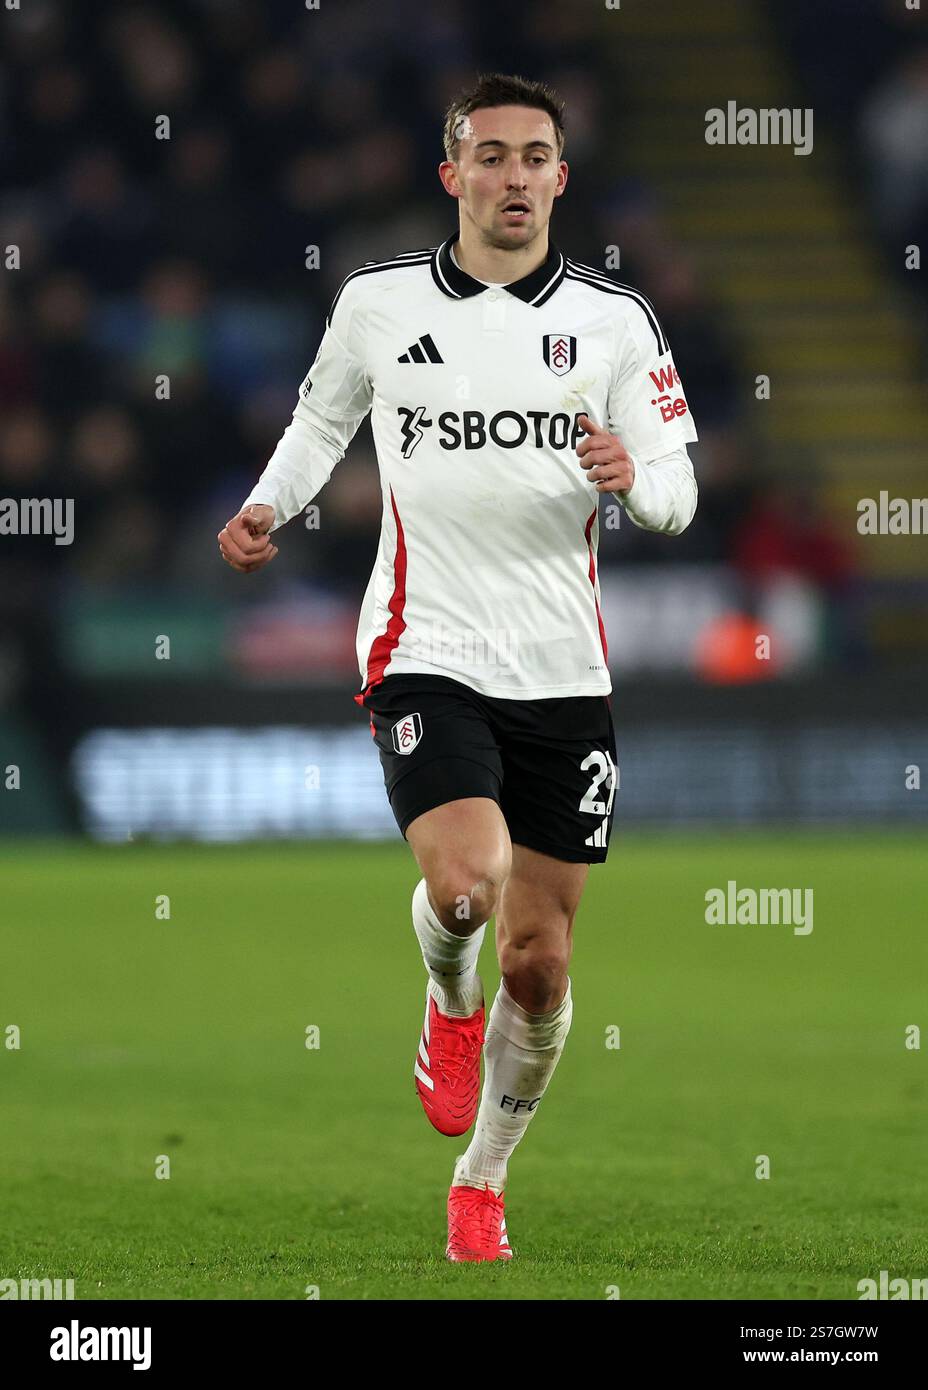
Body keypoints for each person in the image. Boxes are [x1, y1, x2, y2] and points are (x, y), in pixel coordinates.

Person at [218, 72, 698, 1263]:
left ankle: (481, 1179)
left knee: (539, 966)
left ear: (560, 179)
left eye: (534, 156)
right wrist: (268, 505)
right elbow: (322, 420)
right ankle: (445, 1001)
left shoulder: (617, 322)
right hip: (425, 645)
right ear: (452, 176)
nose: (513, 177)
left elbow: (680, 492)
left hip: (562, 671)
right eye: (490, 156)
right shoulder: (378, 304)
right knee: (468, 884)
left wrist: (634, 483)